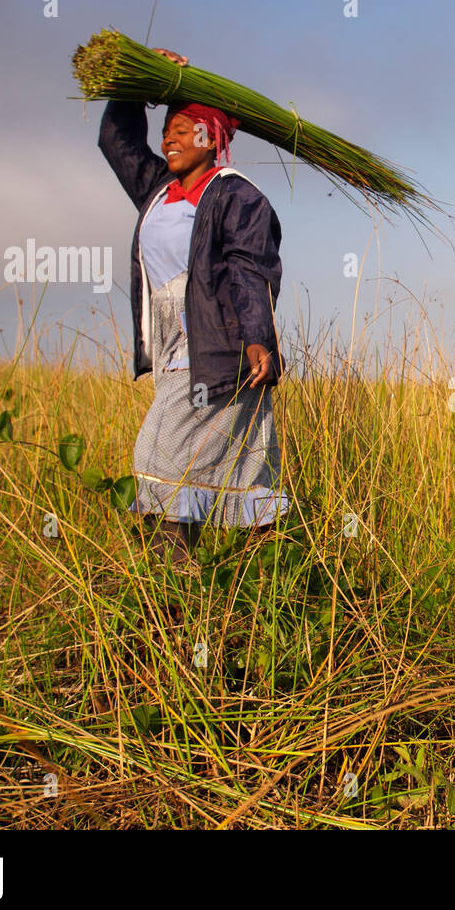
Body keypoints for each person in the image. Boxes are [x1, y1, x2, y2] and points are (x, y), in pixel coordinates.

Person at [97, 46, 289, 565]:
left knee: (158, 456)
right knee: (235, 471)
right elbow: (115, 141)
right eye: (167, 130)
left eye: (184, 128)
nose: (170, 138)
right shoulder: (158, 190)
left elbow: (253, 270)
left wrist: (257, 338)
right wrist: (135, 82)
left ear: (213, 138)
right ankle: (256, 593)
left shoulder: (236, 196)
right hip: (173, 350)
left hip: (219, 349)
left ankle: (168, 591)